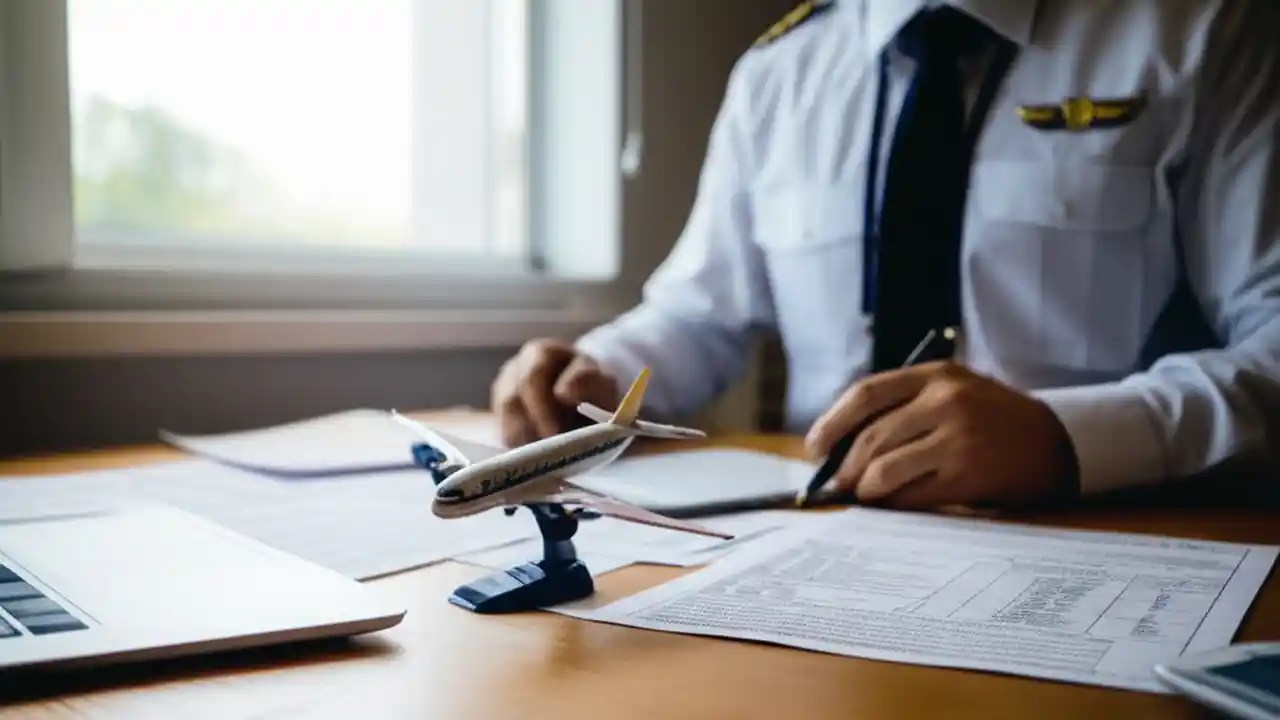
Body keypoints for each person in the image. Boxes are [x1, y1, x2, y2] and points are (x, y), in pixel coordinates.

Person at [491, 0, 1280, 509]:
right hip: (811, 531)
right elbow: (700, 314)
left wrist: (1065, 438)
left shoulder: (1203, 35)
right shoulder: (777, 75)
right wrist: (593, 374)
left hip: (1103, 534)